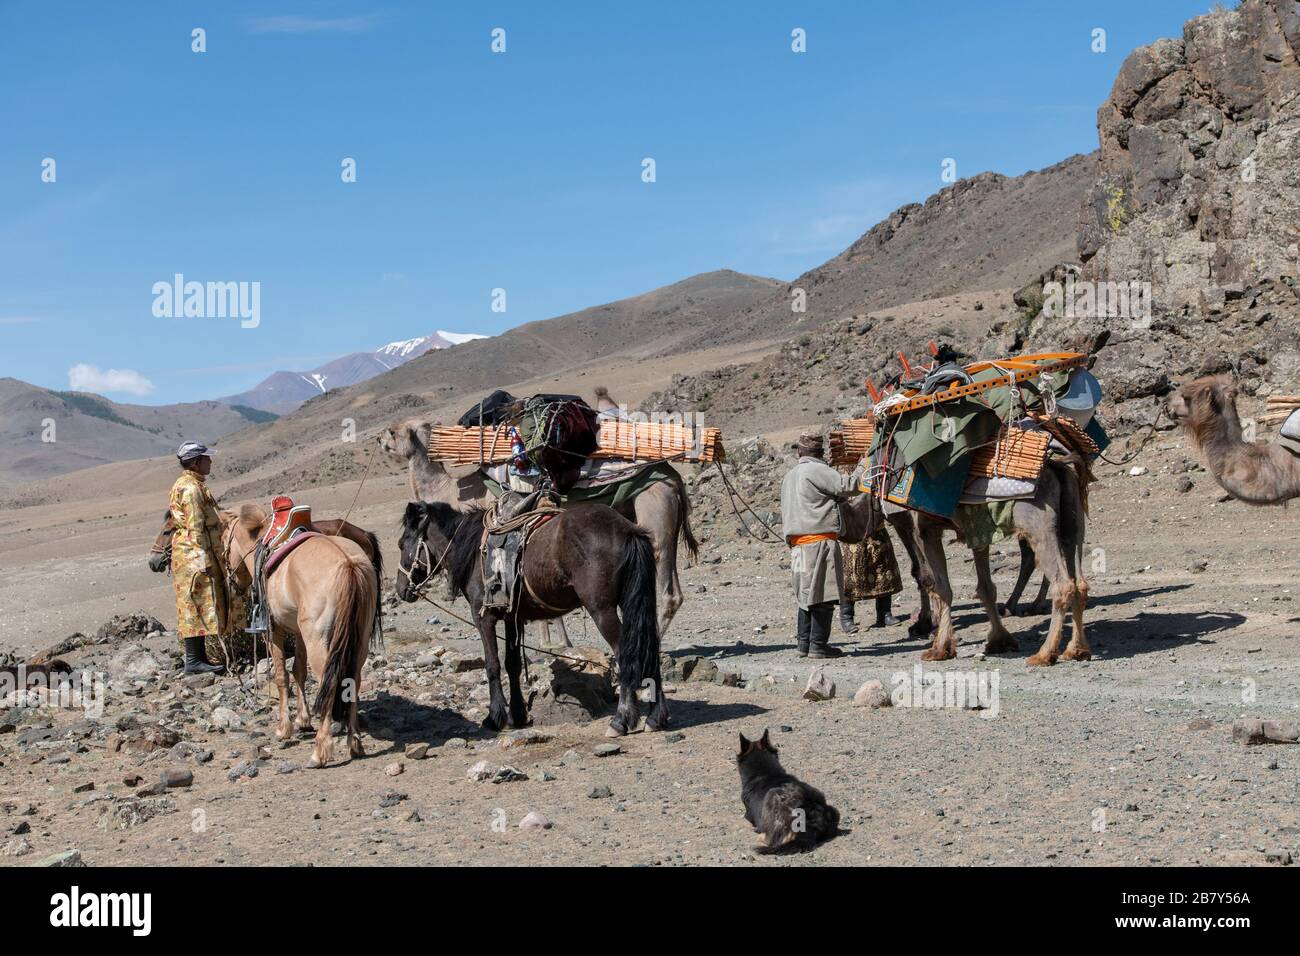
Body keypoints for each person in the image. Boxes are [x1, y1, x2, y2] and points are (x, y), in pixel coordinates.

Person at [779, 433, 865, 658]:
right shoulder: (817, 470)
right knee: (823, 596)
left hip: (798, 546)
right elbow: (850, 485)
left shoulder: (790, 476)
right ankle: (818, 646)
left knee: (805, 597)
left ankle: (803, 645)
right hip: (819, 542)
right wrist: (864, 465)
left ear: (800, 451)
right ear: (820, 452)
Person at [168, 441, 227, 675]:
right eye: (206, 458)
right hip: (194, 553)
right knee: (194, 604)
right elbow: (196, 527)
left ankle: (200, 659)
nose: (210, 461)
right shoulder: (192, 489)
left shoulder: (191, 484)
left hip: (189, 552)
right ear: (195, 462)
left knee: (196, 604)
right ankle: (193, 662)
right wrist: (203, 560)